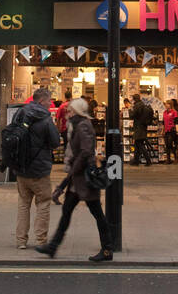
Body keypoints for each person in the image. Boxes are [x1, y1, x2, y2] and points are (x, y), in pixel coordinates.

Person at [36, 96, 113, 262]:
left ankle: (107, 250)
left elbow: (86, 152)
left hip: (85, 178)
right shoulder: (77, 124)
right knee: (66, 213)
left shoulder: (83, 125)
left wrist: (74, 167)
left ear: (77, 111)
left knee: (97, 214)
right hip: (77, 180)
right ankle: (52, 247)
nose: (67, 112)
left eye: (70, 110)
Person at [14, 87, 62, 249]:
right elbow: (55, 142)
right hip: (39, 168)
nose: (50, 104)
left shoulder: (19, 114)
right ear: (42, 101)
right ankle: (41, 240)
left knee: (23, 203)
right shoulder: (45, 119)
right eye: (49, 101)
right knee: (43, 203)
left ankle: (21, 240)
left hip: (21, 166)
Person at [131, 93, 155, 165]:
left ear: (134, 99)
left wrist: (130, 110)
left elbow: (132, 115)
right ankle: (136, 161)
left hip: (139, 127)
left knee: (140, 144)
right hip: (143, 127)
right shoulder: (142, 104)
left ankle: (148, 161)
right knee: (137, 144)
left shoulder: (137, 105)